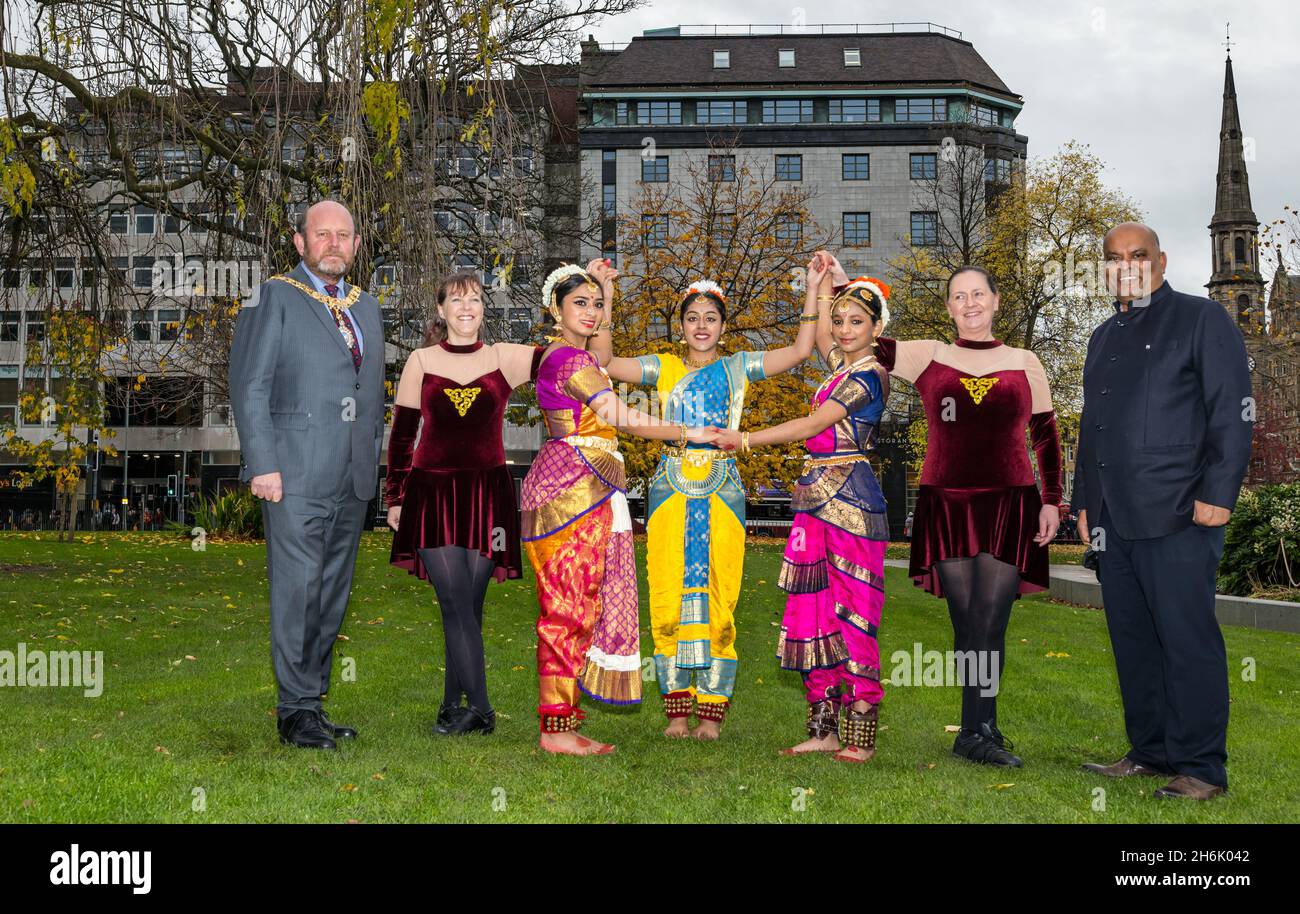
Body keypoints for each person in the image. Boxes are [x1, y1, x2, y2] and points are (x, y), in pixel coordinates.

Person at [590, 258, 824, 740]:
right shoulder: (665, 367)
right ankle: (676, 711)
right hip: (669, 488)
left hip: (722, 490)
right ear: (681, 326)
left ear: (723, 326)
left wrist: (814, 287)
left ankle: (711, 713)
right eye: (693, 317)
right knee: (666, 593)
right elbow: (606, 363)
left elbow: (802, 351)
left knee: (721, 595)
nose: (702, 326)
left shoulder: (738, 367)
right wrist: (606, 294)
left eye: (711, 318)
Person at [1076, 222, 1252, 800]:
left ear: (1161, 260)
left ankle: (1202, 767)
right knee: (1133, 641)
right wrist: (1083, 503)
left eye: (1138, 254)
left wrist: (1219, 495)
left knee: (1186, 639)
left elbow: (1232, 410)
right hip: (1113, 521)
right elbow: (1092, 430)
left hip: (1181, 512)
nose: (1126, 264)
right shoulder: (1102, 336)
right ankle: (1149, 752)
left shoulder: (1203, 319)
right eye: (1114, 257)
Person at [867, 261, 1062, 768]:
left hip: (1010, 500)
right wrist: (838, 286)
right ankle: (975, 731)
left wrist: (1051, 499)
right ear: (948, 305)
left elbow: (1045, 435)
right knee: (966, 620)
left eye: (979, 294)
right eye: (959, 296)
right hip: (947, 501)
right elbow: (853, 332)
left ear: (996, 301)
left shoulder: (1025, 360)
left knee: (991, 620)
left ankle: (981, 729)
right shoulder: (928, 355)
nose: (969, 303)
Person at [523, 263, 720, 756]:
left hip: (589, 485)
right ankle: (555, 731)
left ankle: (564, 722)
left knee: (581, 604)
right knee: (566, 608)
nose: (590, 313)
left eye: (595, 305)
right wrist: (684, 431)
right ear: (555, 309)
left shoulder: (578, 355)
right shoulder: (566, 360)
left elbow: (605, 358)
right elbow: (614, 412)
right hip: (571, 489)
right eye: (580, 304)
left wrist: (607, 292)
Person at [716, 270, 891, 762]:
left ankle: (860, 733)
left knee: (853, 614)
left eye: (856, 321)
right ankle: (823, 729)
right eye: (840, 321)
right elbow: (817, 336)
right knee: (813, 612)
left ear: (876, 327)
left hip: (852, 502)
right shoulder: (840, 367)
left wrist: (746, 439)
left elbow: (816, 423)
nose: (843, 328)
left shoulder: (869, 376)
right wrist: (820, 287)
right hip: (814, 500)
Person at [229, 199, 385, 750]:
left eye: (344, 235)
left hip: (351, 478)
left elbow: (371, 398)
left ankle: (311, 704)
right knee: (298, 592)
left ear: (357, 244)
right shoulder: (273, 296)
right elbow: (249, 385)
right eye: (323, 235)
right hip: (292, 474)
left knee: (330, 595)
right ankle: (294, 710)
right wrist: (262, 464)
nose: (334, 244)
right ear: (300, 243)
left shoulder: (367, 309)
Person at [384, 269, 545, 736]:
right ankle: (482, 710)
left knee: (468, 606)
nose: (467, 307)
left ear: (483, 309)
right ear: (441, 310)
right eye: (457, 300)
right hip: (430, 494)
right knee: (453, 602)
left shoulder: (504, 359)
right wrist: (395, 497)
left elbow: (566, 359)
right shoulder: (420, 360)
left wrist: (594, 302)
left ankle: (450, 705)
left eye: (475, 299)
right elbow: (400, 438)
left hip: (486, 495)